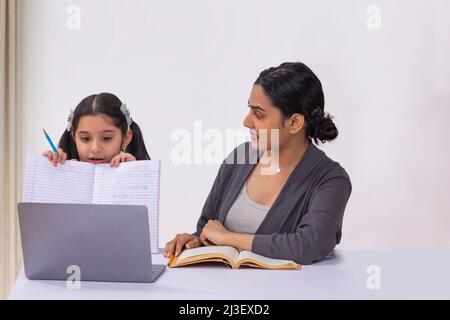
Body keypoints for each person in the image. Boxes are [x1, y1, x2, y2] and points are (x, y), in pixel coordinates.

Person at [164, 62, 352, 264]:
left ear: (294, 123)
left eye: (258, 114)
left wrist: (227, 238)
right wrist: (192, 241)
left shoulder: (330, 179)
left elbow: (309, 245)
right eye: (249, 110)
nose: (246, 121)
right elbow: (207, 229)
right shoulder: (240, 157)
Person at [42, 92, 150, 167]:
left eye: (106, 138)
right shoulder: (62, 171)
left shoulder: (137, 173)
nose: (95, 148)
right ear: (74, 137)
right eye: (85, 138)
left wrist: (135, 173)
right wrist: (49, 169)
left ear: (126, 137)